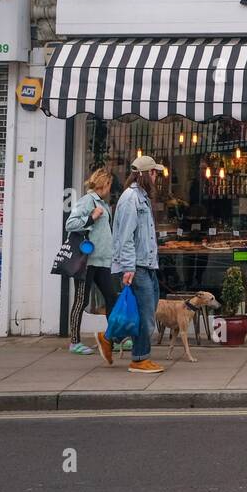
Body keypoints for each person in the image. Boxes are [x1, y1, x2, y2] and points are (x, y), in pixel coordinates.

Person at [98, 154, 166, 373]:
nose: (156, 176)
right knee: (146, 316)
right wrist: (128, 267)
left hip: (145, 264)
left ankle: (109, 338)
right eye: (154, 172)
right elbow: (125, 236)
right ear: (146, 174)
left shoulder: (141, 197)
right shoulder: (131, 199)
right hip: (136, 266)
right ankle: (139, 359)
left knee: (142, 312)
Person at [65, 168, 118, 355]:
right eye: (110, 185)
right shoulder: (87, 201)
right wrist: (91, 217)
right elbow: (70, 224)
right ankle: (74, 342)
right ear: (104, 184)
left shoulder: (101, 202)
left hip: (101, 260)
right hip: (86, 262)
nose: (110, 189)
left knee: (112, 297)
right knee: (81, 300)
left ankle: (113, 338)